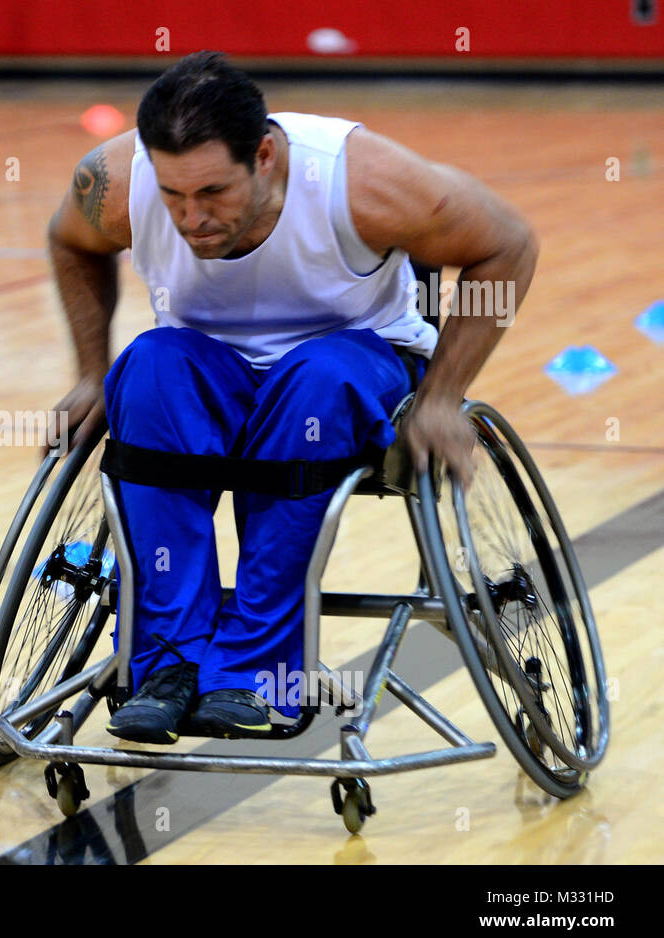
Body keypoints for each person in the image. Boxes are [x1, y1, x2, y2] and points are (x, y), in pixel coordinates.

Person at [44, 51, 538, 744]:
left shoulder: (359, 180)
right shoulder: (116, 182)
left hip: (352, 358)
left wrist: (444, 395)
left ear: (267, 155)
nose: (191, 217)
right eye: (173, 194)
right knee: (148, 366)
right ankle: (169, 664)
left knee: (315, 379)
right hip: (208, 368)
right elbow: (70, 242)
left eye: (213, 191)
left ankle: (252, 669)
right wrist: (91, 373)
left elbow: (508, 243)